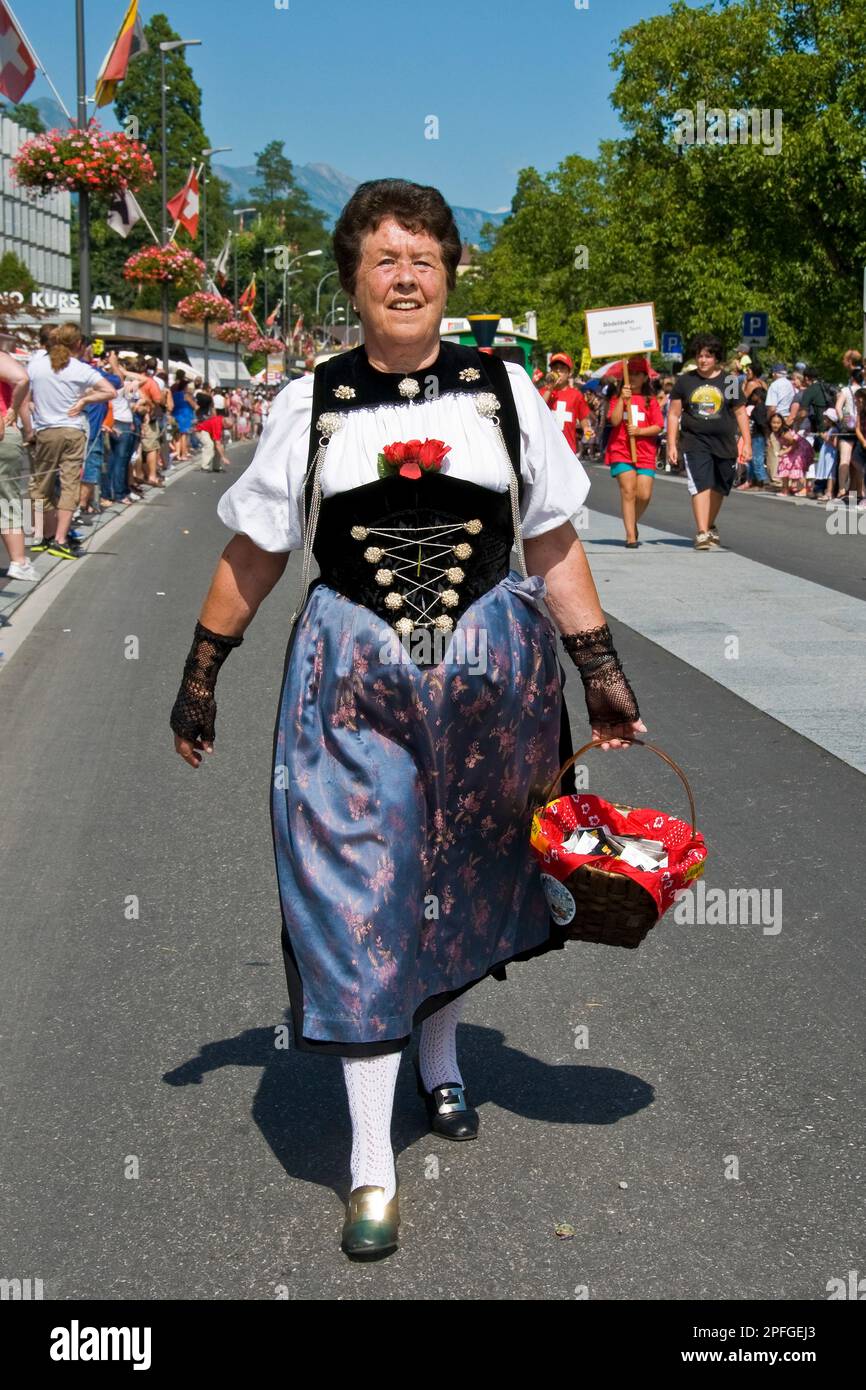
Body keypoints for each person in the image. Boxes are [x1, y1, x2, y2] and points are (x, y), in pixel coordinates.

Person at [169, 177, 645, 1262]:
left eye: (424, 257)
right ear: (353, 278)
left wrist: (599, 668)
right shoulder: (312, 403)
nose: (405, 275)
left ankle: (443, 1061)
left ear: (447, 278)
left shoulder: (505, 394)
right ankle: (369, 1163)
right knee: (359, 881)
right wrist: (201, 672)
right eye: (384, 257)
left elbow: (553, 541)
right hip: (348, 679)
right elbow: (254, 551)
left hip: (491, 677)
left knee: (467, 867)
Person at [25, 323, 116, 560]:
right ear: (78, 344)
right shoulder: (80, 369)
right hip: (72, 429)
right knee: (69, 484)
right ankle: (60, 539)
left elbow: (25, 396)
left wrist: (29, 426)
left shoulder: (36, 366)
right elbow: (110, 391)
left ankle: (38, 534)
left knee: (38, 484)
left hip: (45, 429)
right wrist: (85, 401)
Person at [667, 333, 751, 550]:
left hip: (725, 443)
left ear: (717, 359)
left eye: (708, 356)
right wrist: (672, 444)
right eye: (699, 355)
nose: (703, 360)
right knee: (700, 484)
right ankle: (702, 532)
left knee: (720, 486)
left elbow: (740, 413)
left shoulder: (730, 381)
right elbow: (674, 414)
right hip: (695, 441)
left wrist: (747, 442)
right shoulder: (685, 382)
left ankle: (710, 523)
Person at [604, 357, 663, 546]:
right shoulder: (617, 398)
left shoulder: (650, 401)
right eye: (632, 373)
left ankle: (632, 522)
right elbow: (613, 421)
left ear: (646, 377)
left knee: (644, 494)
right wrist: (622, 398)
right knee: (628, 491)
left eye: (639, 374)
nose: (635, 377)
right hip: (621, 449)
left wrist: (640, 432)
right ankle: (630, 535)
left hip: (645, 452)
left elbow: (658, 426)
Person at [0, 348, 37, 581]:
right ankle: (19, 561)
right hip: (4, 429)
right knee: (8, 498)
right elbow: (21, 378)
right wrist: (12, 410)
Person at [538, 353, 592, 456]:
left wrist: (586, 429)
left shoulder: (576, 395)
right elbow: (538, 408)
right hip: (545, 448)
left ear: (569, 373)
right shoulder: (543, 392)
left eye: (562, 368)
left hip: (567, 448)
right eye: (555, 368)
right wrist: (550, 389)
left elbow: (583, 418)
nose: (558, 371)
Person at [835, 356, 866, 506]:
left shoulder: (846, 390)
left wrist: (843, 419)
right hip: (862, 428)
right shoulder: (863, 391)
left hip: (848, 428)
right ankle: (857, 492)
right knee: (858, 462)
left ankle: (841, 489)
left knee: (845, 459)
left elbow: (838, 408)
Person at [170, 371, 196, 462]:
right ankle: (184, 454)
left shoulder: (174, 393)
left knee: (177, 436)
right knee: (183, 436)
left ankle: (178, 453)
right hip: (185, 416)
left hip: (175, 414)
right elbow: (195, 406)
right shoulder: (185, 395)